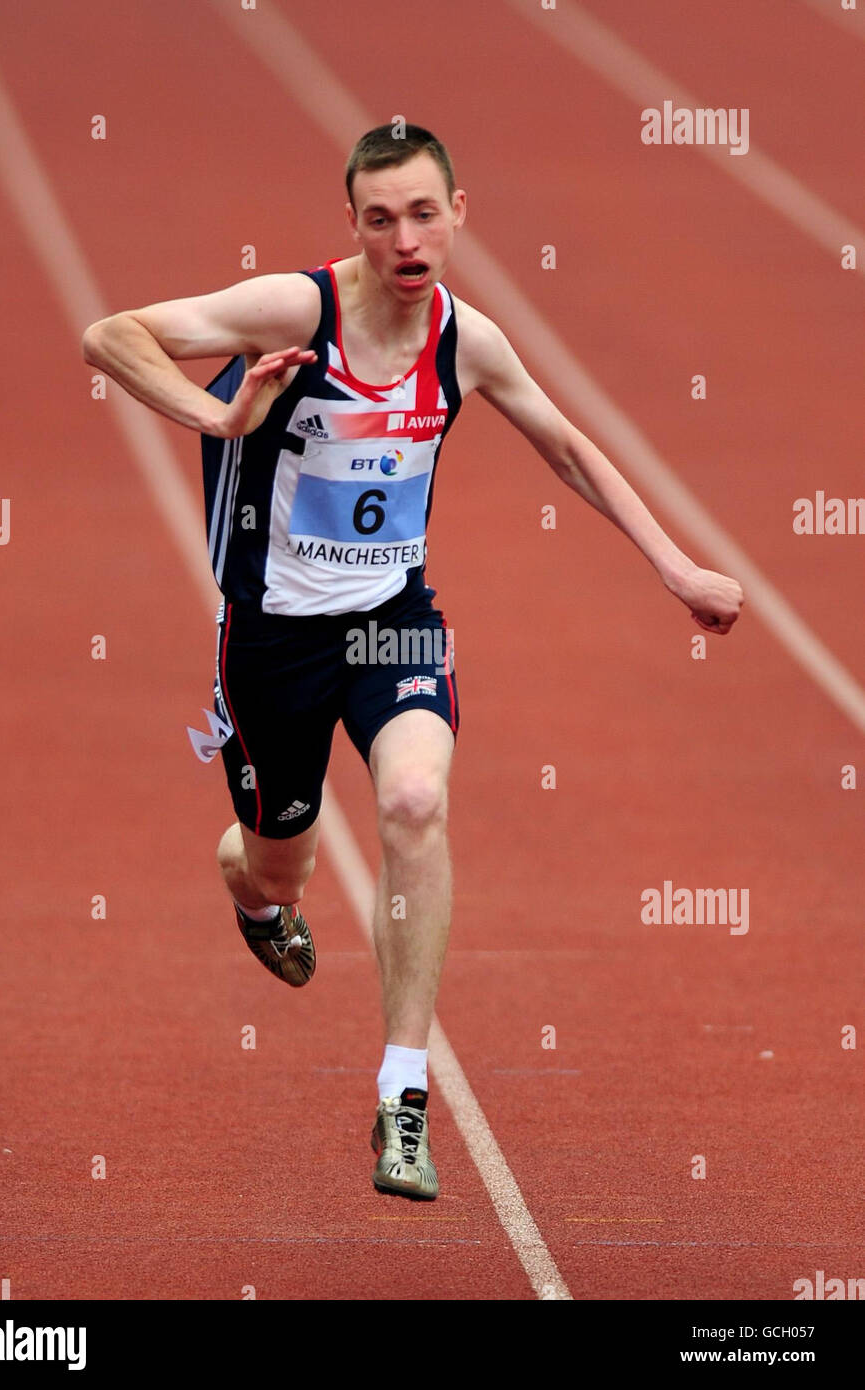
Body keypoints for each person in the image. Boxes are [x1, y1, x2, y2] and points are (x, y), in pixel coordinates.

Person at [81, 124, 744, 1202]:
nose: (405, 238)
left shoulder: (465, 342)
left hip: (393, 623)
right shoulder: (296, 311)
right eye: (381, 217)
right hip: (274, 641)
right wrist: (220, 411)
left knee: (418, 799)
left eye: (424, 213)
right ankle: (251, 891)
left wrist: (675, 567)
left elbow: (568, 445)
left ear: (459, 213)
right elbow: (111, 334)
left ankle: (401, 1094)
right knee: (279, 863)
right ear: (353, 223)